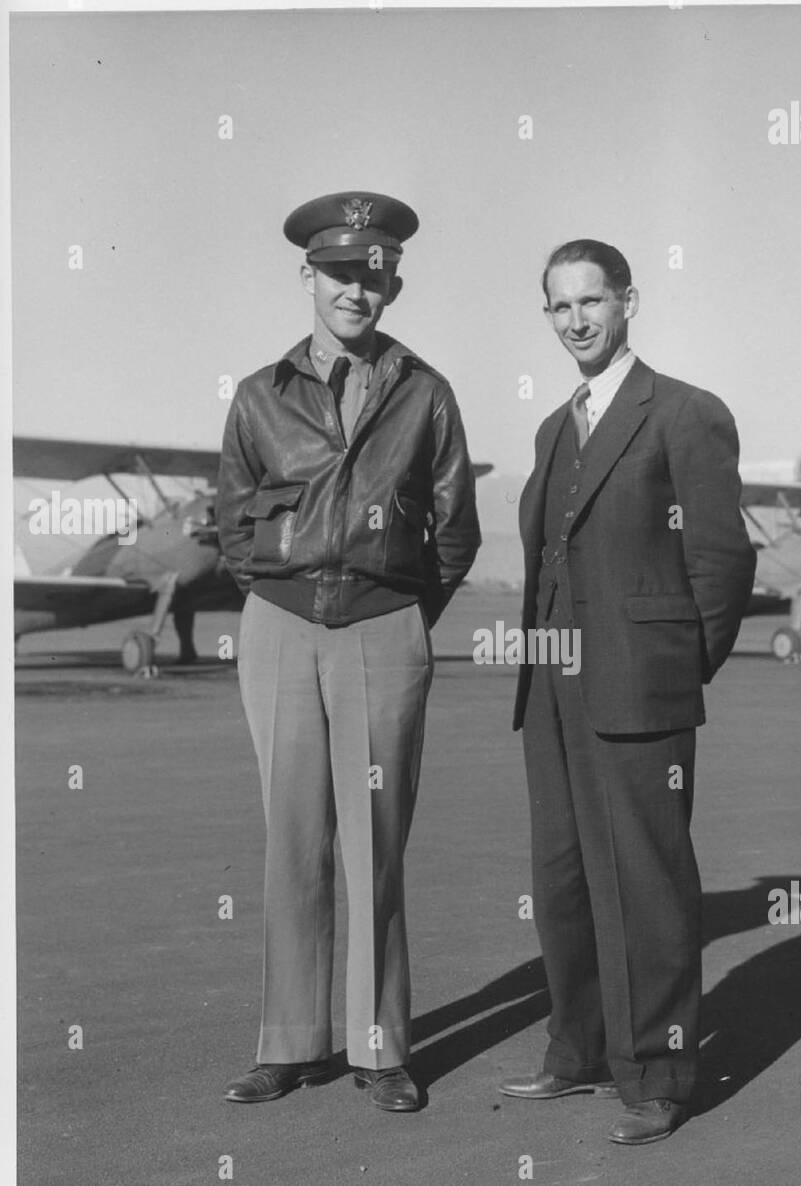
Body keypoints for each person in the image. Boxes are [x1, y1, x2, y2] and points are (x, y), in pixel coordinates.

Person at [217, 191, 480, 1113]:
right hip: (280, 630)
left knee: (375, 843)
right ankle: (289, 1044)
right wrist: (285, 597)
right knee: (292, 838)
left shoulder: (426, 392)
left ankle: (379, 1049)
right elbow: (230, 524)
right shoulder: (259, 395)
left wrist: (399, 615)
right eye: (338, 274)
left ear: (392, 282)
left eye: (373, 276)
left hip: (384, 630)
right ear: (310, 277)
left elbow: (456, 531)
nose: (355, 292)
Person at [500, 240, 756, 1144]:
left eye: (591, 303)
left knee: (645, 879)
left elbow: (722, 562)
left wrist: (676, 668)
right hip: (553, 688)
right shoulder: (553, 426)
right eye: (559, 307)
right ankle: (578, 1049)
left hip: (638, 687)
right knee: (563, 877)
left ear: (628, 303)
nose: (575, 321)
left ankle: (657, 1073)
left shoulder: (684, 413)